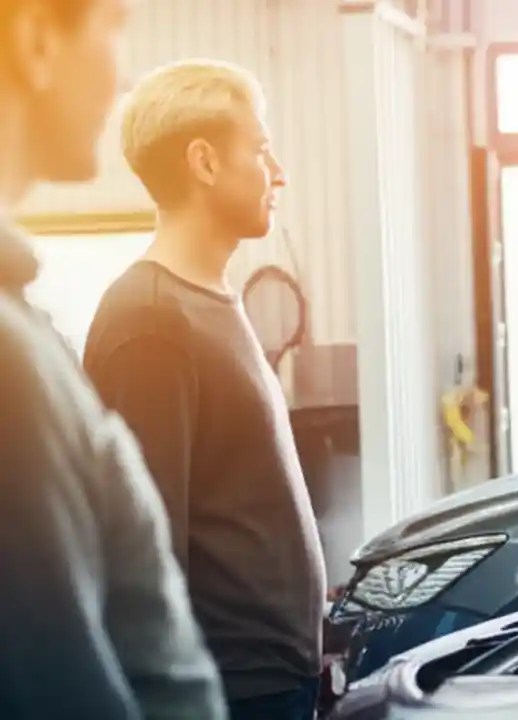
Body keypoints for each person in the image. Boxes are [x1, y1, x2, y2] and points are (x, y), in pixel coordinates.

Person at [0, 1, 227, 718]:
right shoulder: (12, 368)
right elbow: (56, 691)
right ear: (37, 39)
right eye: (112, 28)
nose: (123, 73)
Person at [81, 59, 325, 719]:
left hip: (273, 680)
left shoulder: (210, 301)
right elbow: (147, 552)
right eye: (261, 150)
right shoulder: (150, 320)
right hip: (229, 691)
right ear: (205, 162)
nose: (278, 174)